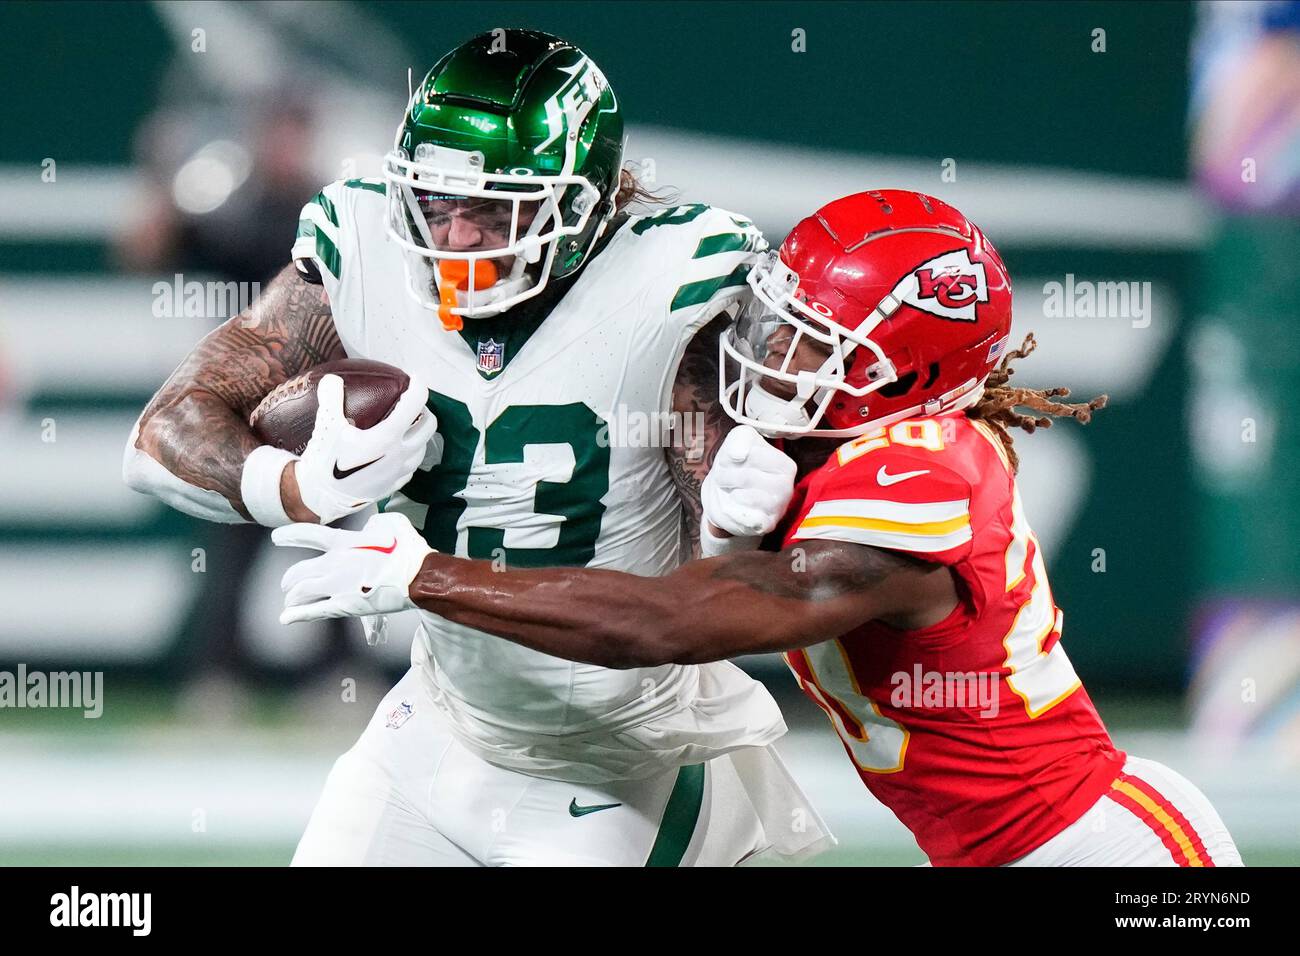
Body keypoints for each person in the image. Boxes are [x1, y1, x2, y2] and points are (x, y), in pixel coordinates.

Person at [276, 190, 1243, 866]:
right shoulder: (842, 447)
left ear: (908, 375)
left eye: (813, 345)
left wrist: (427, 575)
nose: (773, 357)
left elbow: (665, 626)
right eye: (779, 325)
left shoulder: (920, 473)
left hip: (1099, 846)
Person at [125, 30, 831, 867]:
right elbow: (165, 429)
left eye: (492, 209)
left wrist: (734, 528)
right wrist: (295, 484)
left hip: (619, 755)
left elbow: (731, 588)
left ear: (582, 201)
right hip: (440, 720)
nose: (456, 238)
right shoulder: (364, 242)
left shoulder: (677, 281)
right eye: (435, 204)